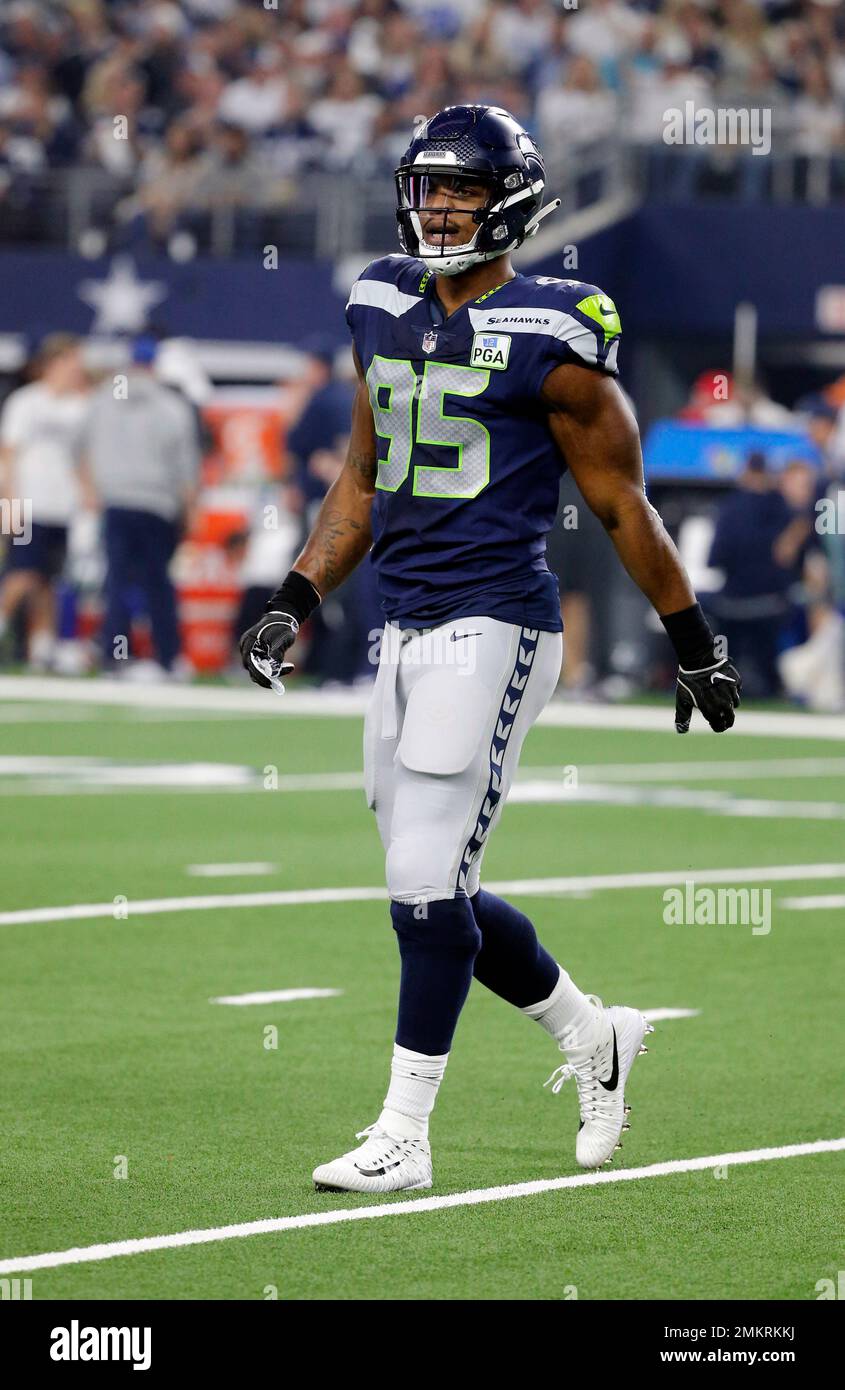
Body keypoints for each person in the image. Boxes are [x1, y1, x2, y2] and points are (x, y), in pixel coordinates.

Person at [239, 104, 741, 1194]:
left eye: (460, 188)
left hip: (496, 623)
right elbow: (363, 477)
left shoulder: (556, 332)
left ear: (509, 200)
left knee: (425, 883)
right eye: (426, 186)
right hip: (403, 625)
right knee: (432, 889)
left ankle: (404, 1137)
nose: (437, 207)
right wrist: (296, 592)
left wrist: (690, 640)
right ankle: (592, 1032)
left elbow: (621, 506)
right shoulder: (377, 300)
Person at [81, 336, 201, 677]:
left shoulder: (103, 399)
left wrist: (90, 488)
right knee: (158, 583)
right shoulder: (171, 405)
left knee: (117, 579)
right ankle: (169, 658)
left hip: (115, 501)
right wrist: (191, 508)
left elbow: (81, 448)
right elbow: (186, 465)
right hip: (156, 504)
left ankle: (114, 658)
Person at [0, 333, 89, 670]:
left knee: (47, 581)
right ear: (54, 363)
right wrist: (8, 506)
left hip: (62, 507)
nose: (77, 369)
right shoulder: (26, 402)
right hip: (26, 503)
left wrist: (86, 499)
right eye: (71, 362)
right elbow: (8, 455)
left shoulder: (80, 408)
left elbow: (83, 460)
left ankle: (42, 648)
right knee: (20, 574)